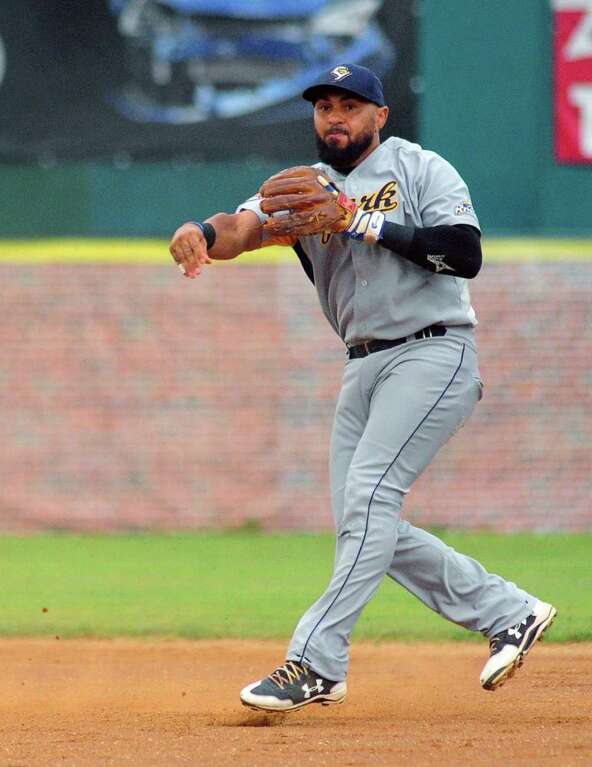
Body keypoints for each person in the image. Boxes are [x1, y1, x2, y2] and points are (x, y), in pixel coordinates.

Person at [168, 64, 556, 713]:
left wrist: (358, 221)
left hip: (435, 348)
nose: (335, 116)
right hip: (363, 363)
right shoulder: (302, 190)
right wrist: (201, 234)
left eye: (350, 104)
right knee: (364, 519)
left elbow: (464, 253)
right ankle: (511, 611)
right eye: (324, 106)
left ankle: (315, 660)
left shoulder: (421, 169)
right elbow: (241, 227)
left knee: (371, 497)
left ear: (380, 116)